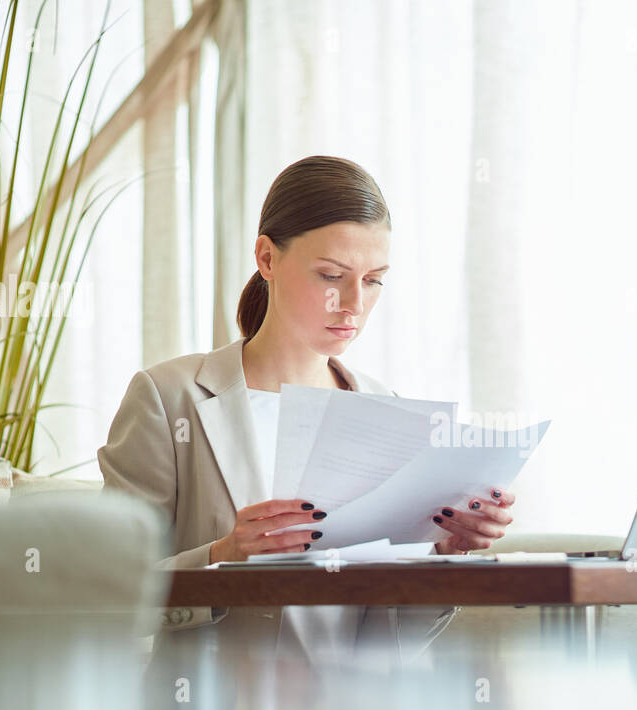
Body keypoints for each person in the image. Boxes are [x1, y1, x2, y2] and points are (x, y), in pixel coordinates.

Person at [97, 155, 515, 660]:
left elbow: (392, 636)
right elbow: (108, 596)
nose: (353, 304)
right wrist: (221, 557)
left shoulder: (391, 412)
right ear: (267, 259)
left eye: (374, 279)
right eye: (331, 275)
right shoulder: (169, 399)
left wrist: (443, 557)